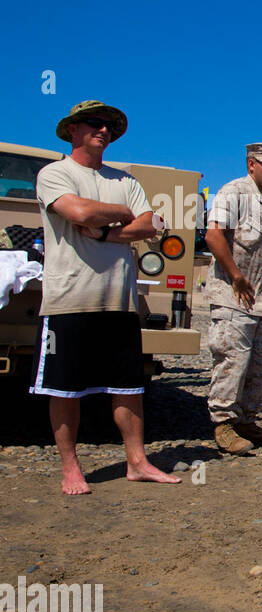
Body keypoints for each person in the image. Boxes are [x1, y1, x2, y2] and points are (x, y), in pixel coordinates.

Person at [30, 100, 181, 494]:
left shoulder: (125, 179)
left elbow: (151, 223)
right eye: (95, 124)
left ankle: (137, 461)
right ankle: (71, 469)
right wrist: (120, 214)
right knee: (66, 389)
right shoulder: (54, 174)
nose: (104, 130)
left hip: (119, 300)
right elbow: (77, 210)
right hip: (70, 298)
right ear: (73, 130)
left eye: (109, 126)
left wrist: (104, 230)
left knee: (128, 387)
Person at [203, 142, 262, 455]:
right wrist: (236, 276)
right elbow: (213, 235)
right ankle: (223, 424)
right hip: (233, 294)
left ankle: (247, 420)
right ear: (251, 163)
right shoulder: (233, 192)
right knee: (232, 360)